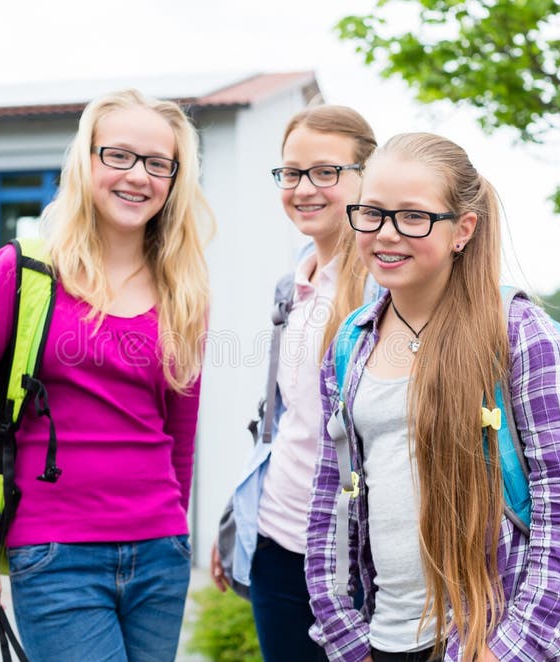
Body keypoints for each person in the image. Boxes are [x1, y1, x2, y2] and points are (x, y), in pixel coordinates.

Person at [0, 89, 212, 662]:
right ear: (87, 160)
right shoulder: (25, 270)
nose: (138, 176)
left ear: (174, 179)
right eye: (119, 156)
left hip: (160, 552)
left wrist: (176, 528)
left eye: (158, 164)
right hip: (56, 554)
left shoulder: (187, 292)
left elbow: (181, 434)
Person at [305, 133, 560, 662]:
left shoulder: (523, 339)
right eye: (371, 213)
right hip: (382, 640)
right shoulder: (351, 341)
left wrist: (510, 652)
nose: (385, 234)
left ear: (463, 230)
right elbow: (332, 497)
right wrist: (346, 636)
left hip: (485, 641)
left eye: (413, 217)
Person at [209, 105, 378, 662]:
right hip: (278, 548)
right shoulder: (293, 288)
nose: (304, 188)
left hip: (360, 560)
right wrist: (242, 519)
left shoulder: (388, 290)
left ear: (366, 177)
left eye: (326, 172)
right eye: (291, 173)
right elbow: (283, 425)